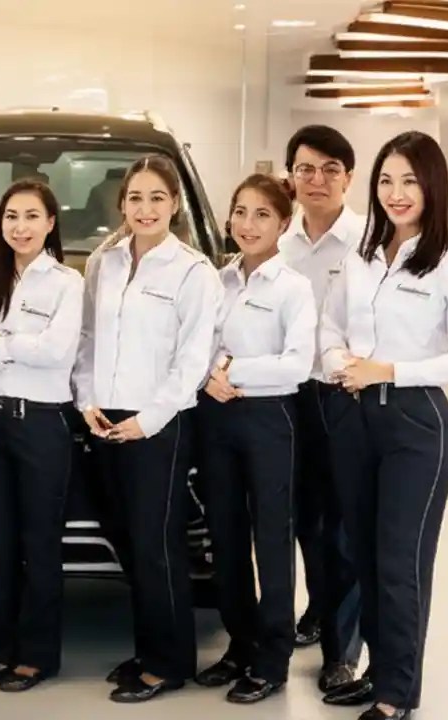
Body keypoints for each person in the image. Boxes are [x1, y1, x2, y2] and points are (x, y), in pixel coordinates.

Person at [319, 131, 448, 720]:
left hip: (416, 425)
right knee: (364, 556)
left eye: (409, 181)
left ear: (432, 186)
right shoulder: (361, 257)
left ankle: (397, 695)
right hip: (354, 416)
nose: (396, 193)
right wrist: (339, 361)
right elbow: (330, 325)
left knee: (400, 562)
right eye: (386, 181)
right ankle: (378, 673)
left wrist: (389, 370)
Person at [72, 154, 221, 704]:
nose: (145, 208)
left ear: (174, 204)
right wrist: (86, 399)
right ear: (122, 204)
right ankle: (150, 649)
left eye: (157, 197)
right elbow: (88, 338)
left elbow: (193, 361)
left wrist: (147, 420)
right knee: (129, 544)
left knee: (158, 545)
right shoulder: (103, 262)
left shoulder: (193, 272)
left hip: (158, 425)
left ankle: (169, 664)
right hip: (105, 421)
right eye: (135, 197)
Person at [192, 174, 316, 704]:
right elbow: (195, 342)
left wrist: (231, 370)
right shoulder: (215, 281)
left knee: (271, 539)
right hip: (215, 415)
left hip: (269, 419)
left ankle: (272, 659)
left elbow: (297, 364)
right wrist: (207, 376)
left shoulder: (293, 288)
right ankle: (240, 645)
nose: (248, 224)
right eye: (240, 212)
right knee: (225, 536)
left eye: (262, 214)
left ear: (283, 223)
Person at [0, 180, 82, 693]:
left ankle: (36, 657)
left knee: (40, 543)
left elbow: (57, 351)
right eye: (11, 216)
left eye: (32, 216)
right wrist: (17, 343)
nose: (21, 227)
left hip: (41, 423)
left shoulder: (67, 283)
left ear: (50, 223)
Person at [279, 124, 368, 693]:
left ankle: (342, 652)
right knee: (304, 519)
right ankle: (319, 606)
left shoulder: (368, 242)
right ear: (290, 176)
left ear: (348, 179)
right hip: (287, 397)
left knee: (342, 525)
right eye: (306, 168)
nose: (317, 179)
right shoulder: (277, 241)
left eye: (331, 169)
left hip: (343, 395)